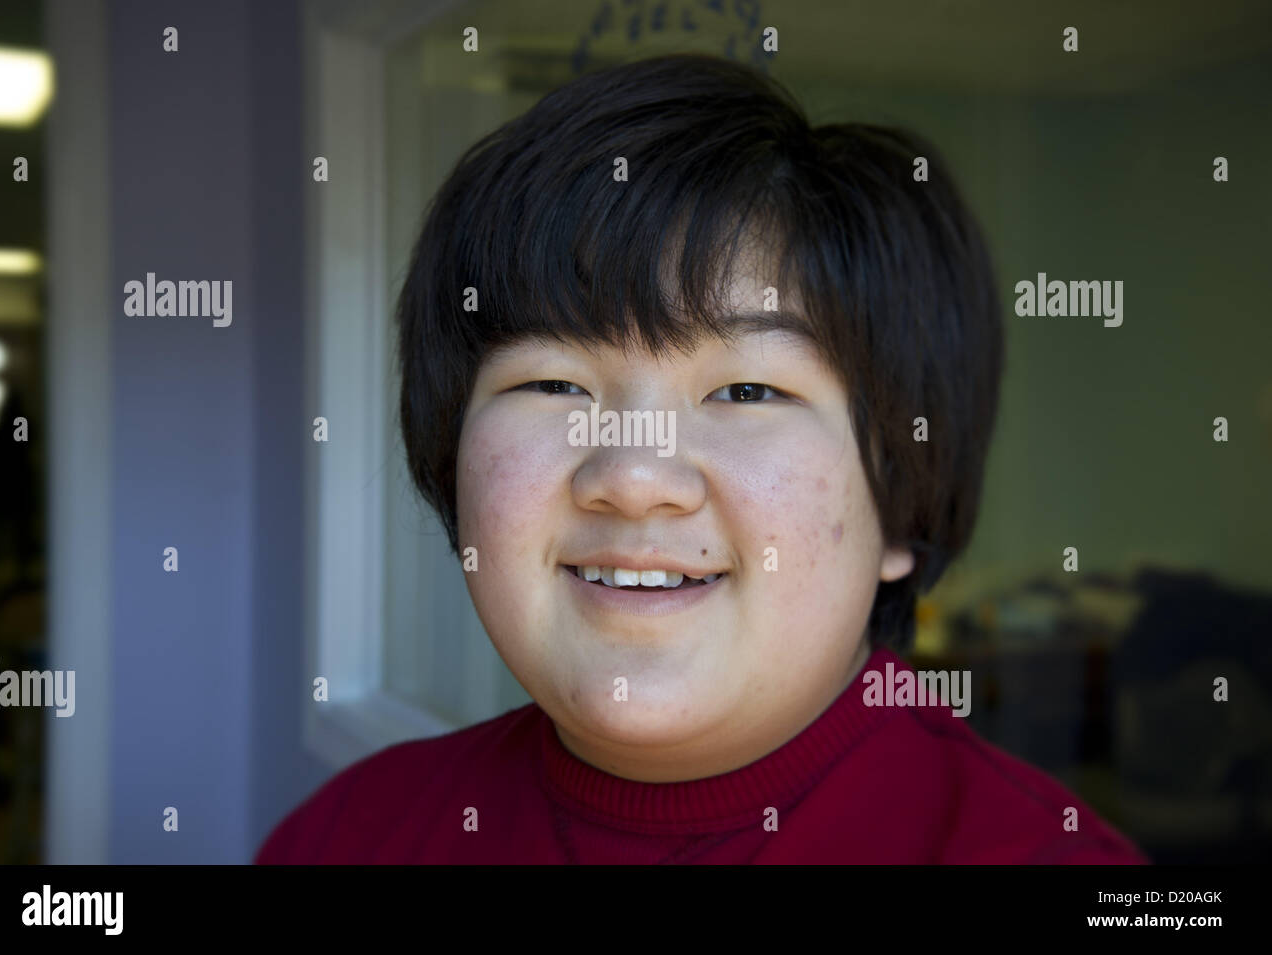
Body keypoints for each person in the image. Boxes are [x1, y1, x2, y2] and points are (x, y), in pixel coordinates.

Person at [257, 53, 1144, 864]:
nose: (633, 477)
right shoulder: (345, 838)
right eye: (555, 384)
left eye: (748, 392)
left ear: (904, 502)